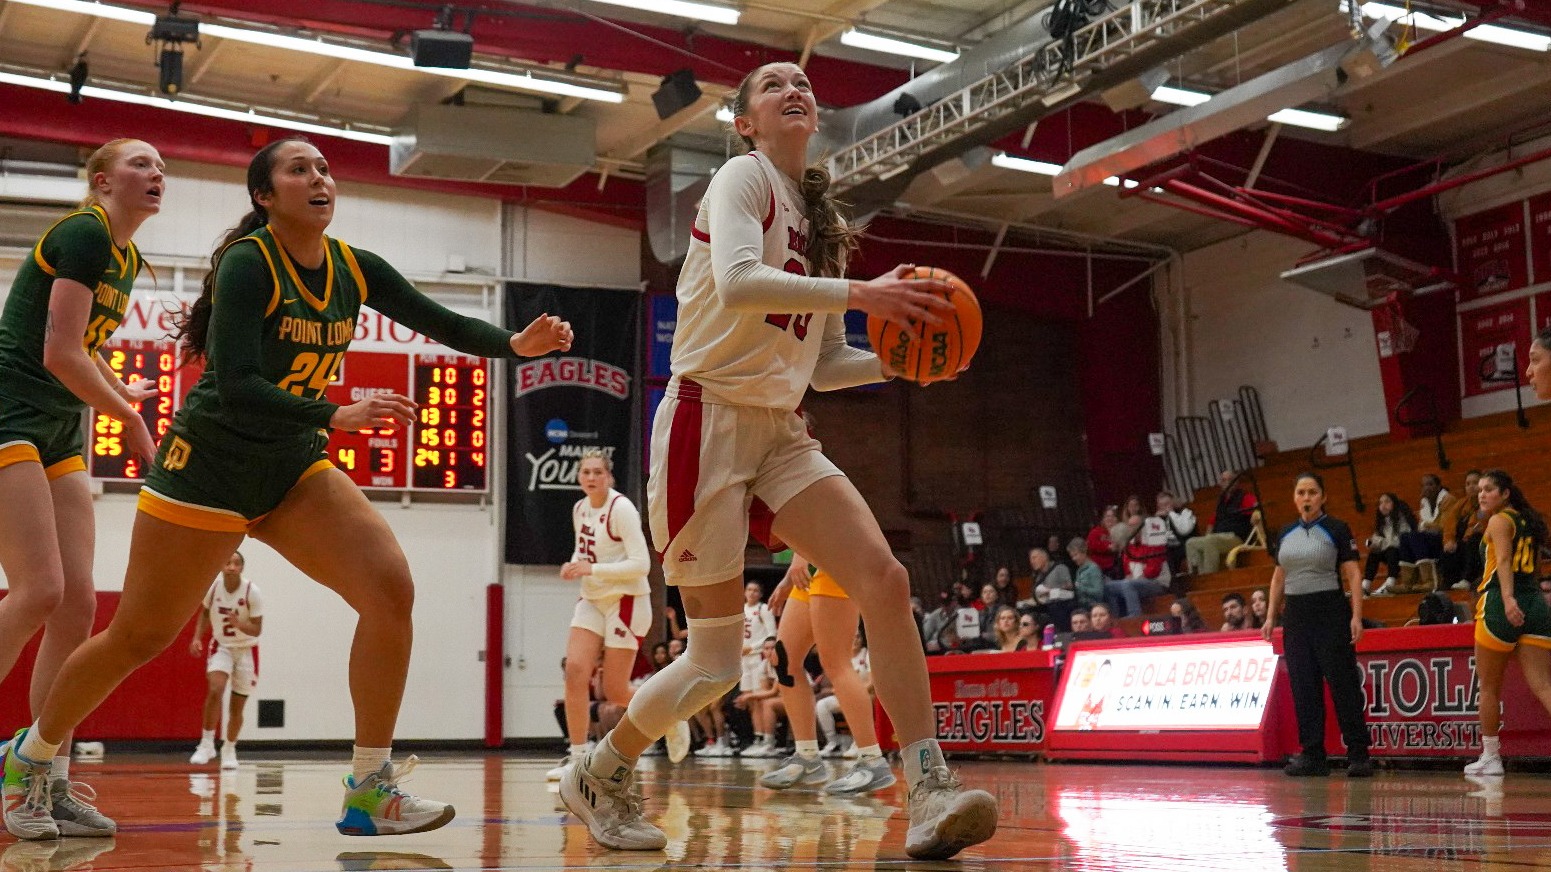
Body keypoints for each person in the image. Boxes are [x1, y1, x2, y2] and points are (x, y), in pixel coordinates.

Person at [1, 137, 574, 841]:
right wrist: (336, 412)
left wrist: (516, 343)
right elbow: (238, 385)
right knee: (137, 637)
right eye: (298, 169)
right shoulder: (249, 265)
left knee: (390, 587)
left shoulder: (352, 267)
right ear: (266, 197)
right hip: (207, 470)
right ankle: (31, 759)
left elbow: (444, 322)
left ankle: (369, 787)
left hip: (292, 467)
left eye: (324, 168)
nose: (319, 178)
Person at [558, 61, 996, 860]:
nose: (793, 88)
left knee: (885, 578)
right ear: (746, 122)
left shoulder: (820, 224)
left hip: (782, 430)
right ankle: (600, 769)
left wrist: (901, 362)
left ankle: (927, 786)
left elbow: (826, 367)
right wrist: (866, 297)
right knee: (715, 661)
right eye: (771, 84)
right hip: (706, 421)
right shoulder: (741, 177)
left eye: (803, 82)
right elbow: (735, 283)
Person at [0, 139, 166, 841]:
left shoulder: (125, 257)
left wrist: (114, 384)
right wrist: (127, 415)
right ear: (102, 181)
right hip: (9, 409)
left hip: (60, 425)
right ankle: (24, 769)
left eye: (162, 167)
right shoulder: (83, 233)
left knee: (77, 602)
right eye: (140, 164)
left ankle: (41, 777)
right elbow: (55, 351)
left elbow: (80, 341)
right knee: (37, 589)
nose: (156, 174)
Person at [548, 450, 670, 783]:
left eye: (597, 472)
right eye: (585, 472)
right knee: (574, 671)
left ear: (609, 476)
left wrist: (593, 568)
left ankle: (669, 718)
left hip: (627, 599)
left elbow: (642, 565)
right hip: (593, 598)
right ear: (579, 477)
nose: (591, 477)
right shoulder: (580, 509)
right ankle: (576, 757)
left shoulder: (622, 509)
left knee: (616, 691)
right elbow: (583, 551)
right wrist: (574, 564)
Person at [1261, 472, 1372, 778]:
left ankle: (1359, 754)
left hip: (1329, 610)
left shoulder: (1336, 528)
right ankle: (1313, 754)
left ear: (1323, 497)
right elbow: (1279, 577)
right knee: (1304, 686)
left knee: (1343, 684)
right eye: (1301, 492)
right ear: (1294, 498)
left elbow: (1352, 574)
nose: (1306, 498)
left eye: (1312, 492)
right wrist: (1271, 615)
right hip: (1296, 614)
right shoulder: (1285, 533)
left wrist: (1356, 616)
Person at [759, 555, 893, 795]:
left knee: (836, 662)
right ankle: (807, 757)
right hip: (811, 563)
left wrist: (800, 559)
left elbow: (818, 517)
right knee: (783, 660)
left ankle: (872, 760)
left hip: (834, 558)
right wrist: (793, 569)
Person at [1464, 470, 1551, 777]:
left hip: (1501, 605)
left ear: (1505, 494)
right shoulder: (1531, 521)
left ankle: (1491, 757)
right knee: (1543, 686)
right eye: (1480, 490)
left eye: (1489, 489)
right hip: (1537, 606)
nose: (1482, 494)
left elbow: (1502, 561)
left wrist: (1509, 598)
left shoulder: (1499, 521)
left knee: (1488, 687)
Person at [188, 552, 262, 770]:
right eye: (227, 562)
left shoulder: (251, 592)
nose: (231, 567)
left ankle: (229, 749)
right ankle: (206, 744)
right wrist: (196, 637)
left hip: (247, 649)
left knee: (237, 706)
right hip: (222, 646)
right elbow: (204, 614)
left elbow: (257, 628)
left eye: (236, 563)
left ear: (242, 568)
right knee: (216, 688)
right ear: (221, 566)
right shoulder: (214, 588)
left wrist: (239, 625)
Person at [737, 580, 780, 756]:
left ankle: (767, 739)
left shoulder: (763, 609)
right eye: (749, 589)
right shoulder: (740, 610)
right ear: (744, 592)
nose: (752, 593)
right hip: (742, 660)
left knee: (759, 698)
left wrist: (752, 647)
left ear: (761, 594)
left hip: (757, 657)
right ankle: (758, 738)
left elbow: (772, 634)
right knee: (750, 700)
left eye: (756, 590)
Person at [1187, 471, 1258, 576]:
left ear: (1236, 482)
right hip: (1219, 537)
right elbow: (1212, 522)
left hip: (1236, 537)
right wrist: (1206, 537)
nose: (1227, 482)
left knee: (1210, 540)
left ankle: (1209, 577)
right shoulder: (1221, 502)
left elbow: (1256, 510)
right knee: (1191, 543)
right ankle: (1197, 576)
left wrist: (1255, 517)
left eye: (1230, 480)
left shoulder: (1245, 497)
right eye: (1224, 480)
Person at [1364, 493, 1417, 595]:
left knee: (1391, 550)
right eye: (1381, 503)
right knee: (1373, 554)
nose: (1383, 505)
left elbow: (1399, 541)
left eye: (1387, 502)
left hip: (1406, 553)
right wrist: (1373, 544)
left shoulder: (1403, 518)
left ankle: (1390, 584)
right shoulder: (1382, 522)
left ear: (1395, 504)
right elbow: (1378, 538)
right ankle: (1365, 585)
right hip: (1390, 552)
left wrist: (1382, 543)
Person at [1440, 470, 1485, 589]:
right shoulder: (1461, 504)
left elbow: (1479, 524)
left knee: (1473, 541)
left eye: (1475, 483)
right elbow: (1449, 524)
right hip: (1464, 540)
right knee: (1449, 548)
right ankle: (1449, 582)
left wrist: (1467, 536)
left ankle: (1468, 579)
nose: (1471, 487)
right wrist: (1449, 540)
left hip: (1481, 539)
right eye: (1468, 484)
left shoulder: (1486, 501)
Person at [1156, 491, 1196, 574]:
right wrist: (1157, 521)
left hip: (1184, 544)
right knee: (1160, 553)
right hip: (1169, 547)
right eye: (1162, 505)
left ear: (1173, 502)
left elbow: (1184, 530)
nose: (1165, 507)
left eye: (1167, 504)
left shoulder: (1186, 512)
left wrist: (1171, 513)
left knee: (1168, 553)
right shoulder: (1158, 519)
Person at [1067, 537, 1106, 611]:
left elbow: (1098, 592)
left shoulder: (1093, 568)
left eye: (1076, 555)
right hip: (1080, 604)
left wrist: (1078, 587)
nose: (1074, 559)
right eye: (1072, 556)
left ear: (1084, 552)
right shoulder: (1079, 570)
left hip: (1092, 605)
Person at [1086, 506, 1121, 578]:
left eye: (1112, 516)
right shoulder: (1096, 531)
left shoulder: (1119, 532)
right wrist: (1107, 547)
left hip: (1116, 568)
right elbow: (1091, 545)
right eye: (1107, 516)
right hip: (1099, 569)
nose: (1110, 518)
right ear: (1103, 519)